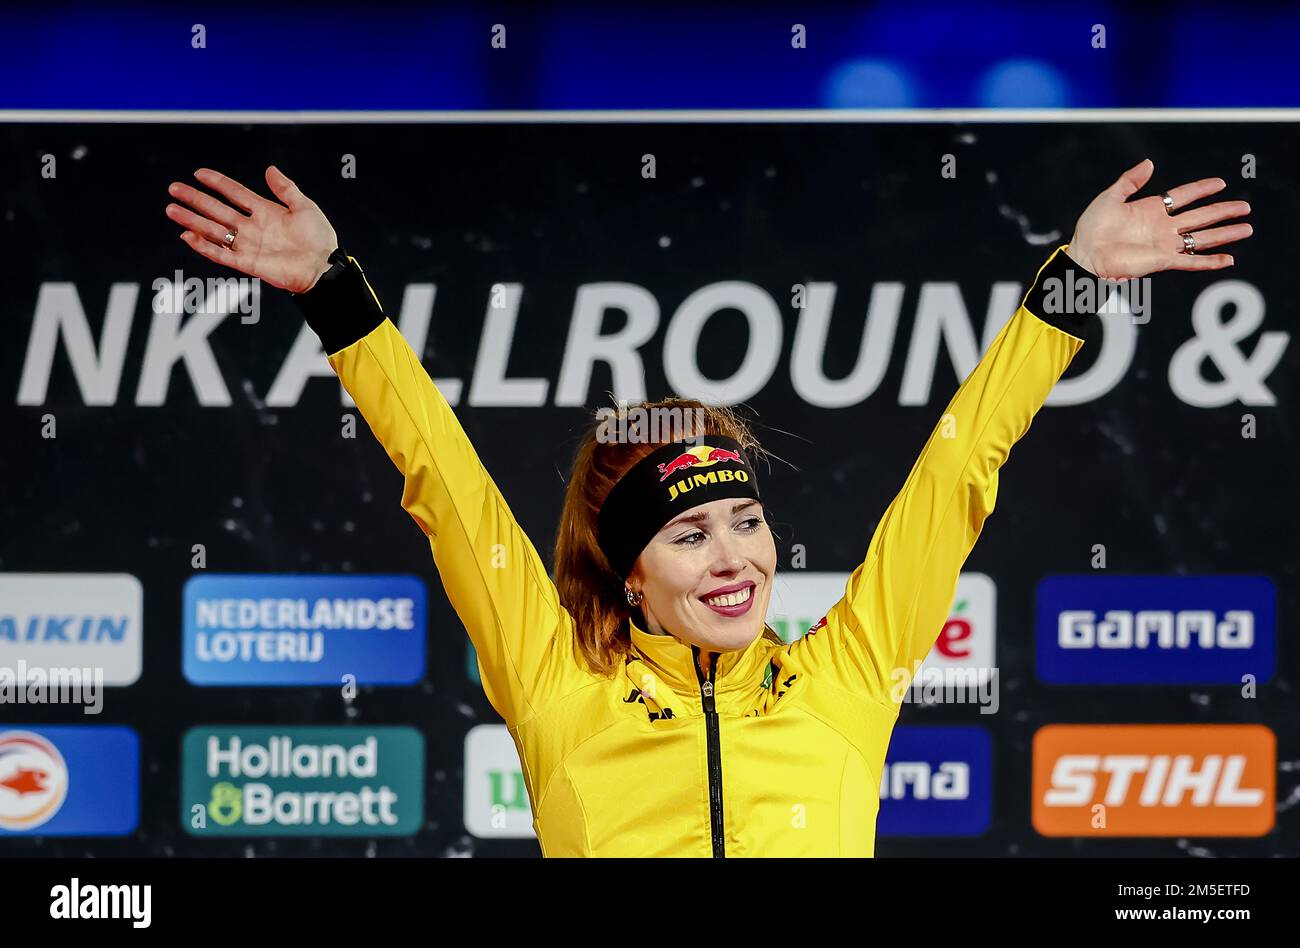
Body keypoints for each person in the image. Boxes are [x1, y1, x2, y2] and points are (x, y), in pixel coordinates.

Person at [165, 159, 1251, 857]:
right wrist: (334, 294)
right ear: (629, 569)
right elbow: (447, 489)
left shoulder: (846, 678)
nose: (733, 557)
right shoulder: (557, 691)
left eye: (743, 522)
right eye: (688, 535)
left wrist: (1073, 281)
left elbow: (957, 473)